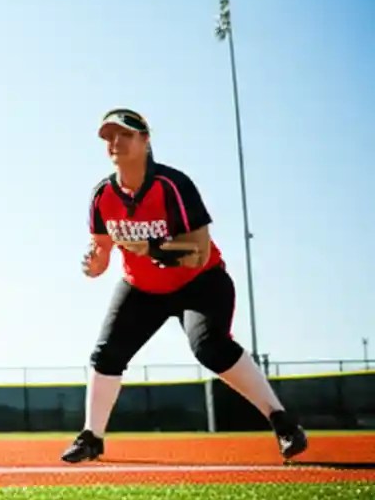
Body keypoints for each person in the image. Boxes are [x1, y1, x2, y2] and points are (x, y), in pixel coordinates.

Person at [62, 108, 308, 463]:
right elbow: (102, 246)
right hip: (141, 287)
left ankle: (282, 421)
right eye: (109, 137)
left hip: (200, 281)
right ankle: (91, 437)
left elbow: (199, 249)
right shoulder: (103, 194)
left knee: (210, 347)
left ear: (146, 141)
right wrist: (96, 261)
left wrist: (151, 248)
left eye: (125, 135)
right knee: (106, 355)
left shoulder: (172, 185)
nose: (115, 143)